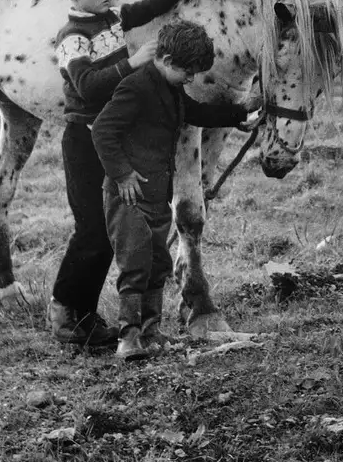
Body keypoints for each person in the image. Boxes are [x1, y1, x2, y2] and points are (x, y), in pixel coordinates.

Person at [49, 0, 215, 348]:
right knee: (92, 230)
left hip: (110, 136)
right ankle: (65, 312)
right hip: (85, 138)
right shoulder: (71, 39)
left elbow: (150, 6)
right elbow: (86, 87)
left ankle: (86, 317)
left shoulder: (111, 19)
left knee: (113, 233)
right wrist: (134, 62)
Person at [92, 20, 258, 360]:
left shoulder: (171, 89)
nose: (191, 79)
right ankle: (128, 337)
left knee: (157, 262)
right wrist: (122, 175)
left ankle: (151, 331)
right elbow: (103, 131)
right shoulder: (134, 87)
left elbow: (195, 112)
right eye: (188, 72)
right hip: (129, 196)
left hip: (155, 194)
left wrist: (238, 112)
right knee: (135, 264)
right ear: (166, 59)